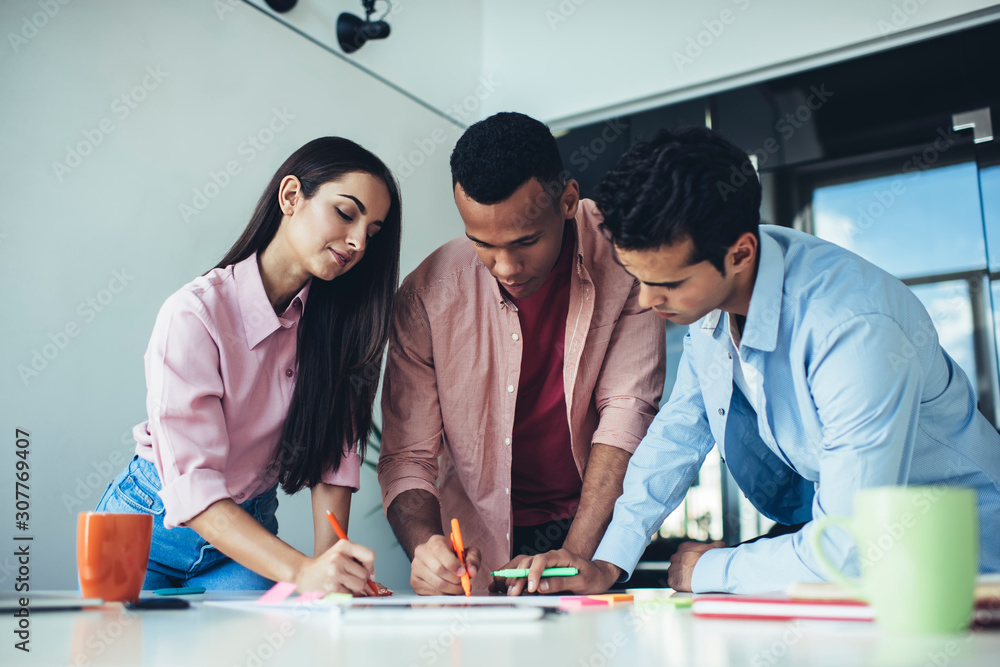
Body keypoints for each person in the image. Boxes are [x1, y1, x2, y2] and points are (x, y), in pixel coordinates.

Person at [517, 126, 1000, 596]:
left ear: (740, 254)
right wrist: (606, 561)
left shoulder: (853, 329)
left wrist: (712, 569)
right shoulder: (712, 292)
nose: (645, 300)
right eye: (637, 277)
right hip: (872, 567)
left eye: (666, 284)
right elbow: (678, 434)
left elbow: (851, 547)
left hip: (970, 573)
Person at [95, 137, 401, 593]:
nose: (358, 242)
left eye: (372, 232)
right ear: (291, 196)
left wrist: (328, 569)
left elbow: (335, 458)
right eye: (345, 213)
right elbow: (193, 487)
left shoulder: (341, 328)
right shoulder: (194, 313)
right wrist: (303, 572)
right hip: (146, 525)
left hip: (243, 534)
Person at [377, 112, 665, 595]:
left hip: (597, 523)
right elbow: (408, 455)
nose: (506, 267)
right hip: (479, 533)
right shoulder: (428, 295)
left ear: (568, 200)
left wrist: (574, 558)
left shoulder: (626, 253)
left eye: (526, 241)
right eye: (482, 245)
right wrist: (426, 547)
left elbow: (626, 414)